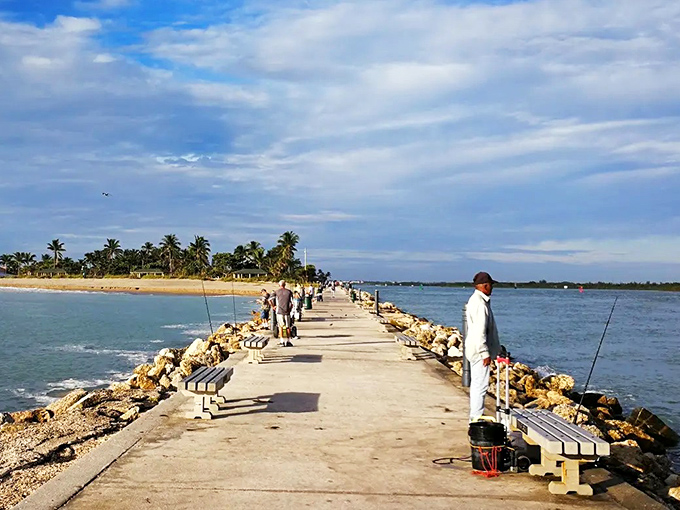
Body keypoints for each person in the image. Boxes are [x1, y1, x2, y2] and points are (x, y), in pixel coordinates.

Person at [465, 271, 501, 422]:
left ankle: (475, 416)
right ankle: (476, 418)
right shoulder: (480, 304)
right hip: (479, 352)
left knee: (477, 385)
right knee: (480, 386)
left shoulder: (477, 300)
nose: (492, 288)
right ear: (485, 286)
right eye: (491, 285)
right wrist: (484, 353)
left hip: (473, 349)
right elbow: (480, 331)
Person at [274, 280, 294, 346]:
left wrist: (273, 306)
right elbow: (292, 303)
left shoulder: (276, 292)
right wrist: (290, 310)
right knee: (288, 327)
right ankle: (288, 341)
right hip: (287, 312)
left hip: (279, 311)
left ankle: (282, 341)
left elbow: (270, 299)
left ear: (279, 285)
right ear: (285, 285)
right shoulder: (289, 292)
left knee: (281, 327)